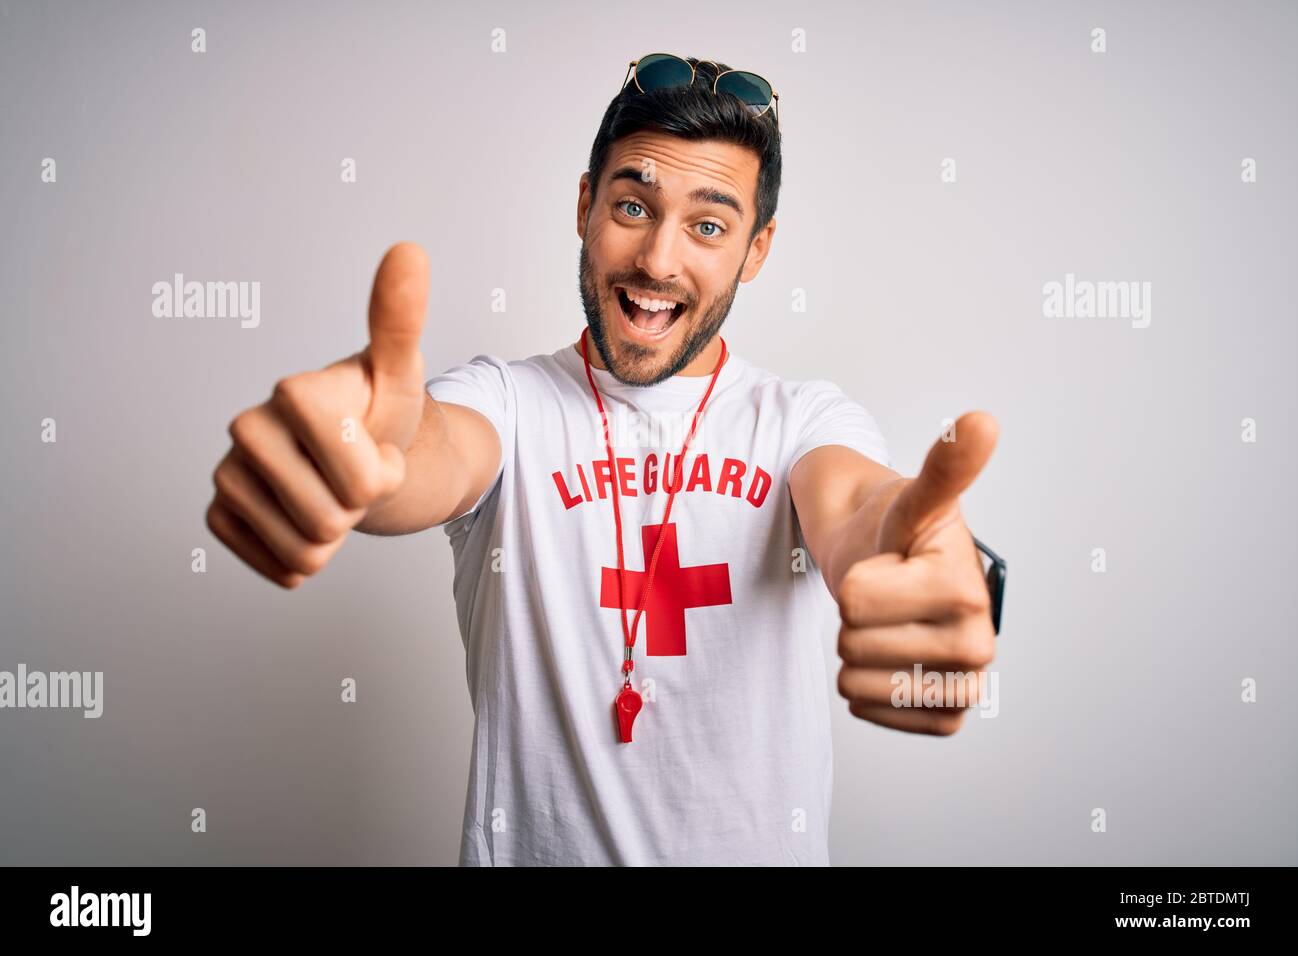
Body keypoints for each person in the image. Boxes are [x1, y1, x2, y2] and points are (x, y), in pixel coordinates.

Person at [205, 55, 1000, 866]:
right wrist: (354, 452)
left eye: (709, 226)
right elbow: (426, 453)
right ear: (585, 205)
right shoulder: (506, 404)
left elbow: (860, 509)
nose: (657, 261)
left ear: (756, 251)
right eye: (632, 205)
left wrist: (916, 555)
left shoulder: (802, 422)